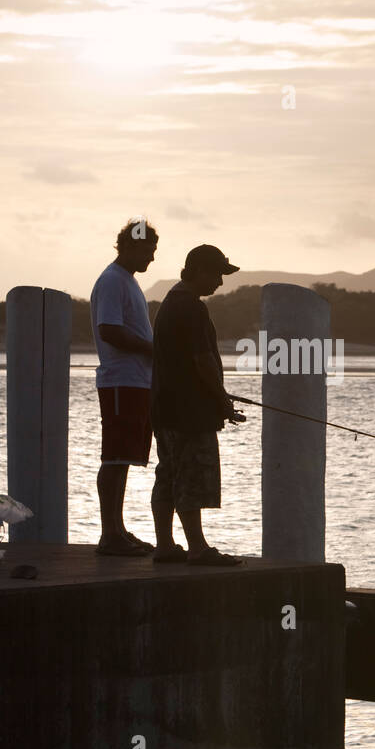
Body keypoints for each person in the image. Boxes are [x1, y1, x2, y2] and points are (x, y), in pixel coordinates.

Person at [150, 244, 247, 565]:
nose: (220, 282)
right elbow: (202, 360)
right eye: (218, 273)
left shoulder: (170, 304)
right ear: (200, 270)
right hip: (189, 411)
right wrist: (222, 398)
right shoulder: (191, 308)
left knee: (168, 474)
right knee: (190, 475)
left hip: (165, 407)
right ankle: (198, 548)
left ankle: (165, 545)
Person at [90, 218, 158, 556]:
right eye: (149, 250)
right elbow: (109, 330)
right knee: (115, 457)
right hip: (120, 380)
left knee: (126, 456)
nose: (152, 258)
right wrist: (152, 349)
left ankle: (118, 529)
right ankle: (109, 534)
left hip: (137, 382)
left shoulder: (127, 281)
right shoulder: (112, 281)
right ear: (130, 246)